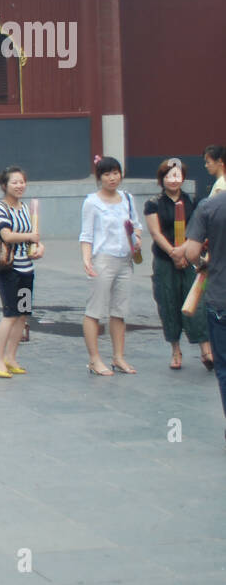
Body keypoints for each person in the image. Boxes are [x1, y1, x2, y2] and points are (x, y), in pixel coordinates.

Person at [144, 158, 211, 370]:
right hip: (166, 259)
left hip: (190, 258)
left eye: (177, 175)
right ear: (161, 179)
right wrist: (174, 253)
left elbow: (199, 229)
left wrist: (187, 253)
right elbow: (156, 232)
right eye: (169, 176)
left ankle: (205, 349)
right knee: (168, 303)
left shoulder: (192, 201)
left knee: (196, 303)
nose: (174, 180)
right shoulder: (154, 203)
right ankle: (175, 349)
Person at [79, 155, 142, 376]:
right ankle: (94, 359)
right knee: (95, 311)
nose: (112, 178)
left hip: (125, 260)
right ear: (99, 177)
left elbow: (136, 226)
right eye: (107, 174)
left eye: (115, 173)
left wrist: (137, 239)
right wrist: (87, 260)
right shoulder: (92, 202)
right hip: (103, 259)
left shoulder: (127, 198)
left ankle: (118, 357)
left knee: (119, 311)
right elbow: (86, 235)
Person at [0, 165, 43, 379]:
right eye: (15, 182)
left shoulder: (24, 209)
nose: (20, 186)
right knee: (10, 315)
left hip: (27, 268)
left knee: (22, 315)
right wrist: (31, 237)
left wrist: (39, 247)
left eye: (22, 182)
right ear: (5, 185)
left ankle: (11, 357)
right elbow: (7, 236)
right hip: (8, 268)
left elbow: (36, 236)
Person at [185, 181, 226, 440]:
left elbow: (191, 252)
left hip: (220, 298)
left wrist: (203, 263)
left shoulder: (209, 206)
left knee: (223, 368)